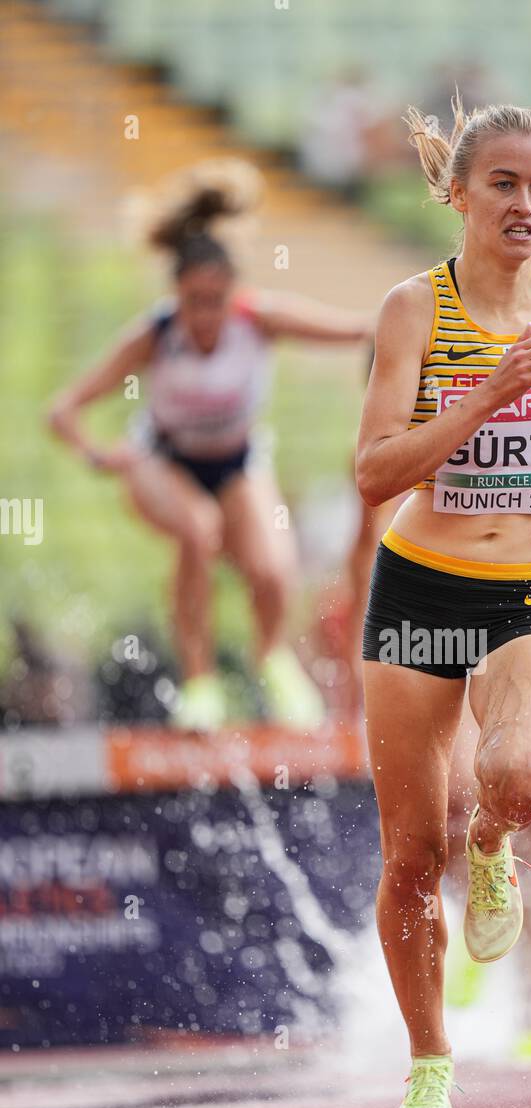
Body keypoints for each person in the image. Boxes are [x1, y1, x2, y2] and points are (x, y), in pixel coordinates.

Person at [356, 97, 531, 1108]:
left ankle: (496, 844)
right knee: (405, 855)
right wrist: (480, 397)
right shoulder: (412, 311)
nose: (525, 204)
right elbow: (370, 470)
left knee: (517, 776)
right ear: (460, 194)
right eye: (504, 184)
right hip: (421, 591)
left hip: (529, 593)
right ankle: (429, 1062)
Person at [47, 159, 371, 731]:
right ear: (177, 295)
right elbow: (64, 410)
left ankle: (270, 658)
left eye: (216, 301)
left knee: (274, 570)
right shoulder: (156, 334)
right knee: (199, 530)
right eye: (194, 301)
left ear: (233, 295)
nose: (205, 316)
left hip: (238, 460)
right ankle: (198, 682)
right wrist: (99, 453)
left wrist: (418, 328)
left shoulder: (258, 319)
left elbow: (356, 329)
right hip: (160, 459)